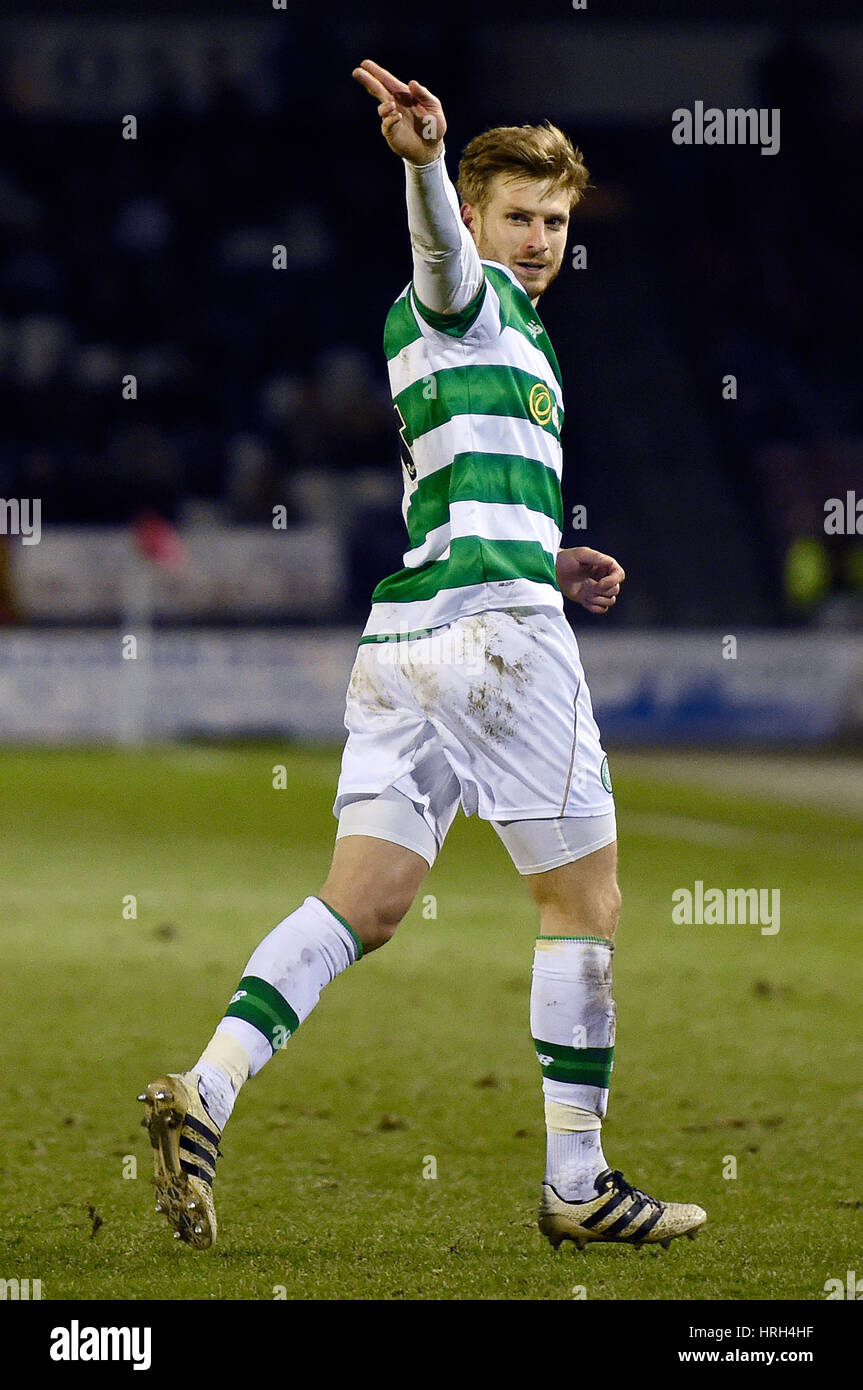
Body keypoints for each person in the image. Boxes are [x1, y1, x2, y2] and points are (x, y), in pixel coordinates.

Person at [139, 59, 706, 1254]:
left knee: (366, 900)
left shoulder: (524, 352)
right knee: (583, 899)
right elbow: (441, 259)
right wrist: (425, 165)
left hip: (407, 641)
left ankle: (207, 1089)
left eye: (553, 219)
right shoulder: (463, 297)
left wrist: (555, 557)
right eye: (517, 215)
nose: (538, 238)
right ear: (479, 213)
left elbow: (452, 500)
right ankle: (577, 1181)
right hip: (497, 645)